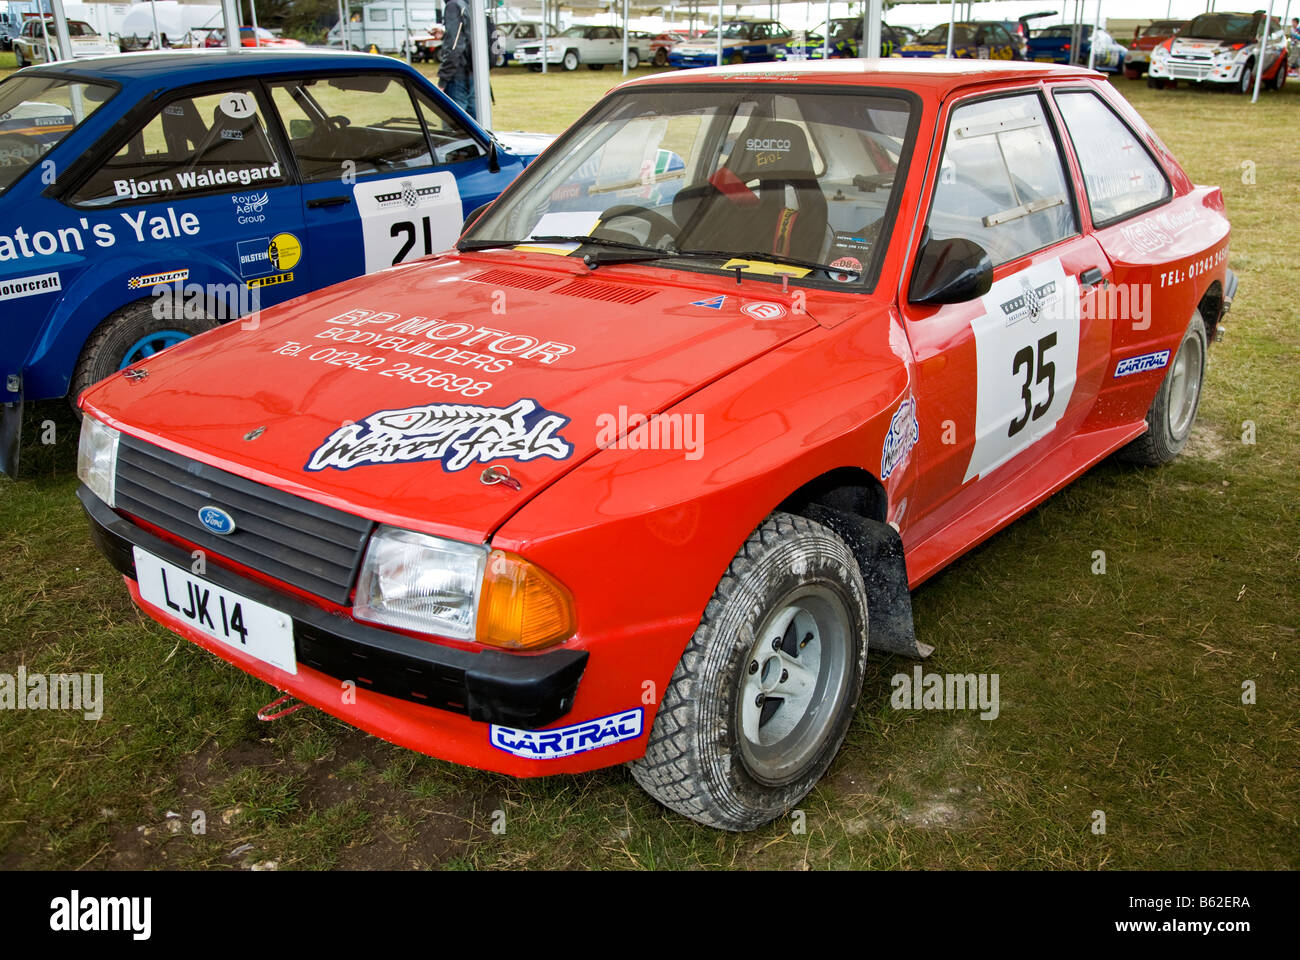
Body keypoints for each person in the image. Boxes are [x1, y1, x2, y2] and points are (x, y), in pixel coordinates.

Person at [438, 0, 475, 119]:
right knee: (475, 126)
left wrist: (443, 79)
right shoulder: (469, 5)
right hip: (473, 72)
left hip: (458, 74)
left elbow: (454, 46)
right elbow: (465, 38)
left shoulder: (453, 6)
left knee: (454, 126)